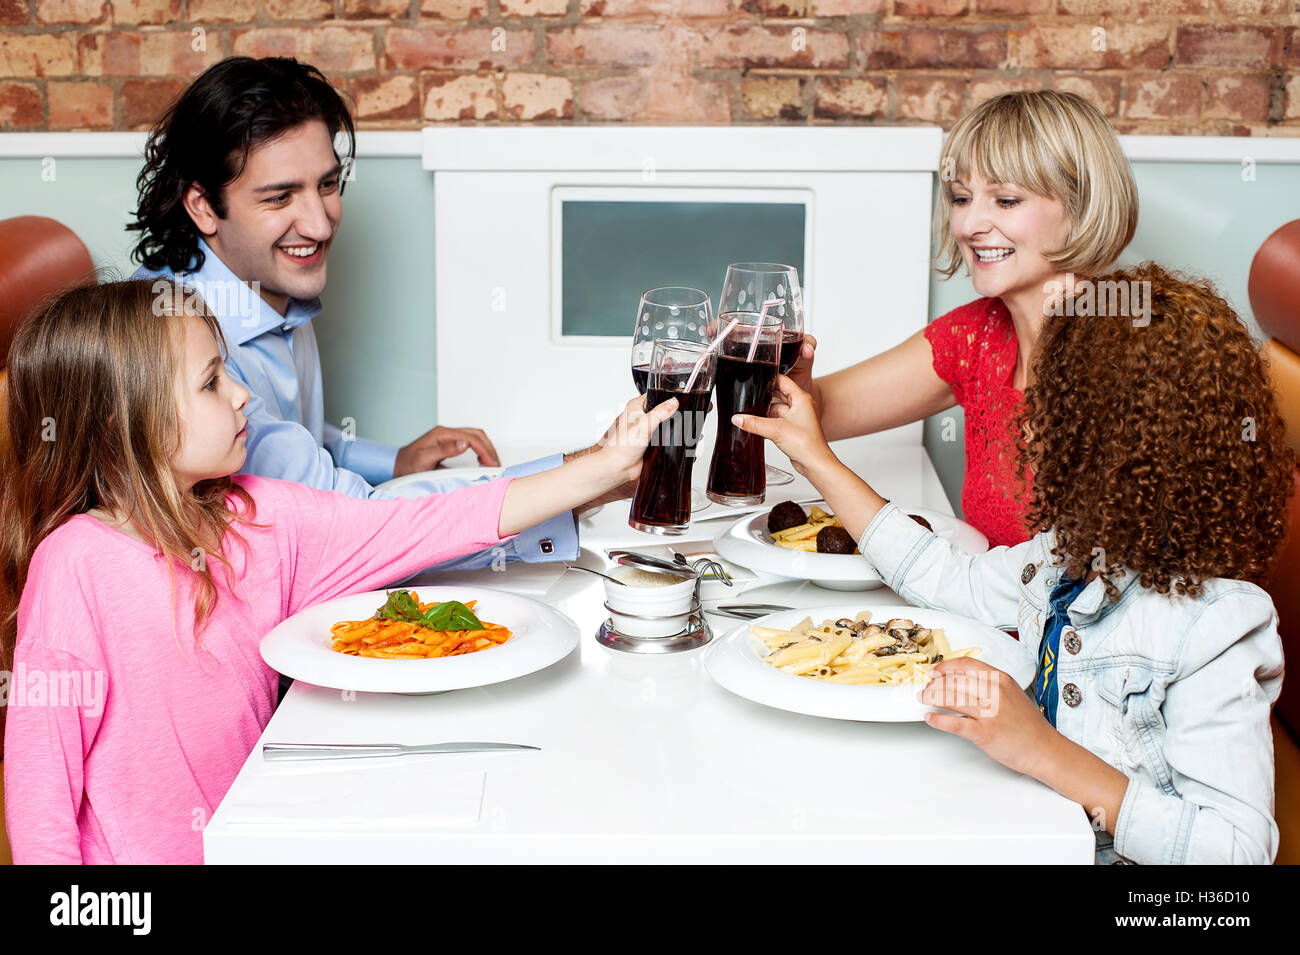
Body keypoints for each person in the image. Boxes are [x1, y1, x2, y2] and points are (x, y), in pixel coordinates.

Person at [0, 280, 674, 864]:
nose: (241, 397)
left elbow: (431, 523)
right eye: (211, 382)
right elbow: (39, 799)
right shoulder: (75, 568)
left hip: (253, 844)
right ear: (127, 421)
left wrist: (597, 469)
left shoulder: (260, 515)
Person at [736, 262, 1293, 863]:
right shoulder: (1071, 552)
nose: (1026, 424)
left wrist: (1037, 748)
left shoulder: (1214, 627)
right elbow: (949, 578)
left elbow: (1237, 856)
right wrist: (815, 457)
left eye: (1052, 411)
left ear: (1114, 449)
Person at [127, 55, 597, 570]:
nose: (321, 225)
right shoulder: (179, 341)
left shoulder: (264, 283)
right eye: (281, 196)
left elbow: (288, 443)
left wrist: (391, 461)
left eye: (327, 185)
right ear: (201, 206)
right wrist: (578, 480)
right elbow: (355, 526)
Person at [792, 90, 1139, 547]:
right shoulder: (975, 336)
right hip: (984, 615)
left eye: (1006, 200)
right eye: (961, 198)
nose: (969, 224)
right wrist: (788, 376)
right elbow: (821, 411)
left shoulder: (1136, 360)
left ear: (1082, 205)